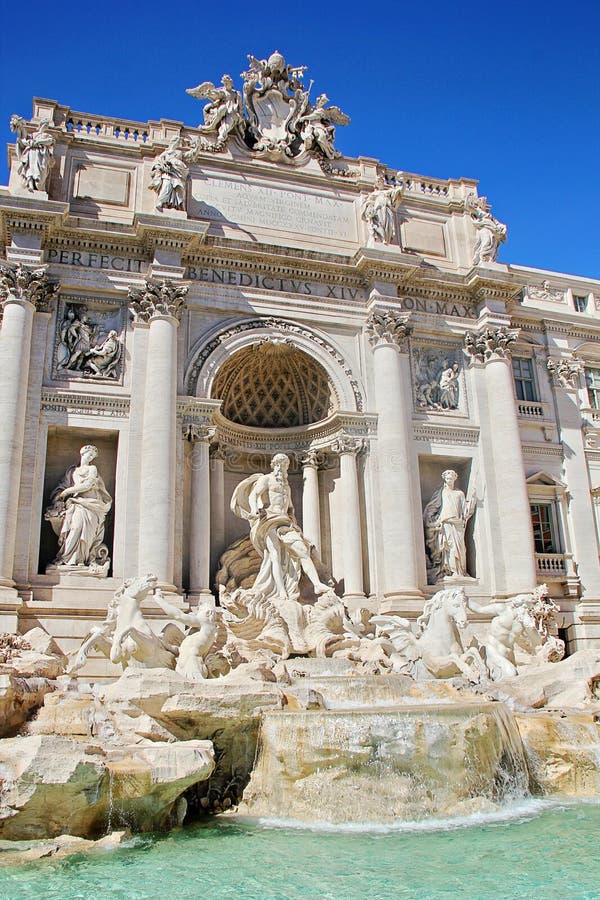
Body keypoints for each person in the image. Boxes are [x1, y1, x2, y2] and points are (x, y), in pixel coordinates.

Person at [231, 453, 331, 605]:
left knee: (303, 551)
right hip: (269, 521)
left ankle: (316, 584)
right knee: (275, 556)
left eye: (284, 465)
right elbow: (254, 495)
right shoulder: (267, 479)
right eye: (279, 464)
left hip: (285, 523)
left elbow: (290, 507)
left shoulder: (286, 486)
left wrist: (293, 521)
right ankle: (281, 591)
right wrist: (255, 508)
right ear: (273, 465)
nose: (281, 468)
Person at [45, 445, 112, 569]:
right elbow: (62, 487)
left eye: (93, 456)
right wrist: (59, 497)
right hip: (76, 504)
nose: (91, 457)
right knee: (75, 528)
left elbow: (87, 485)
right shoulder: (72, 471)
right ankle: (67, 558)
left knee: (86, 533)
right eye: (89, 454)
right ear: (82, 453)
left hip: (91, 505)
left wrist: (67, 492)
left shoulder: (92, 468)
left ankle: (81, 560)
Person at [423, 470, 475, 580]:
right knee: (449, 548)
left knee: (460, 549)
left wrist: (472, 501)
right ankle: (450, 572)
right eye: (447, 478)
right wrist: (432, 521)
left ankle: (460, 572)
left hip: (458, 524)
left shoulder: (460, 493)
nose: (449, 480)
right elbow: (433, 507)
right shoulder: (441, 492)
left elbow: (464, 510)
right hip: (445, 523)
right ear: (444, 479)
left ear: (455, 478)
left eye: (451, 478)